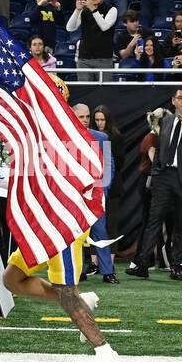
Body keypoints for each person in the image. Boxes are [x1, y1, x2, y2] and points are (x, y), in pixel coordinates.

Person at [3, 83, 120, 362]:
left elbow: (92, 179)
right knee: (11, 279)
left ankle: (105, 351)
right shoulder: (37, 133)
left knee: (65, 290)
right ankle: (85, 302)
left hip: (63, 221)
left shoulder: (75, 136)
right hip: (43, 220)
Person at [128, 87, 182, 280]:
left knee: (181, 225)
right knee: (153, 221)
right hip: (163, 177)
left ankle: (176, 266)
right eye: (180, 98)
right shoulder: (165, 121)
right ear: (173, 101)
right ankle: (142, 264)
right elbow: (160, 148)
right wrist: (157, 171)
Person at [73, 101, 117, 284]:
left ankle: (108, 272)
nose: (85, 120)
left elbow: (109, 165)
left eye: (87, 116)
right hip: (74, 194)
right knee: (76, 234)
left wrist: (103, 189)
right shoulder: (63, 137)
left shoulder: (100, 137)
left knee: (100, 231)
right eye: (81, 116)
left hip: (95, 194)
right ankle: (79, 270)